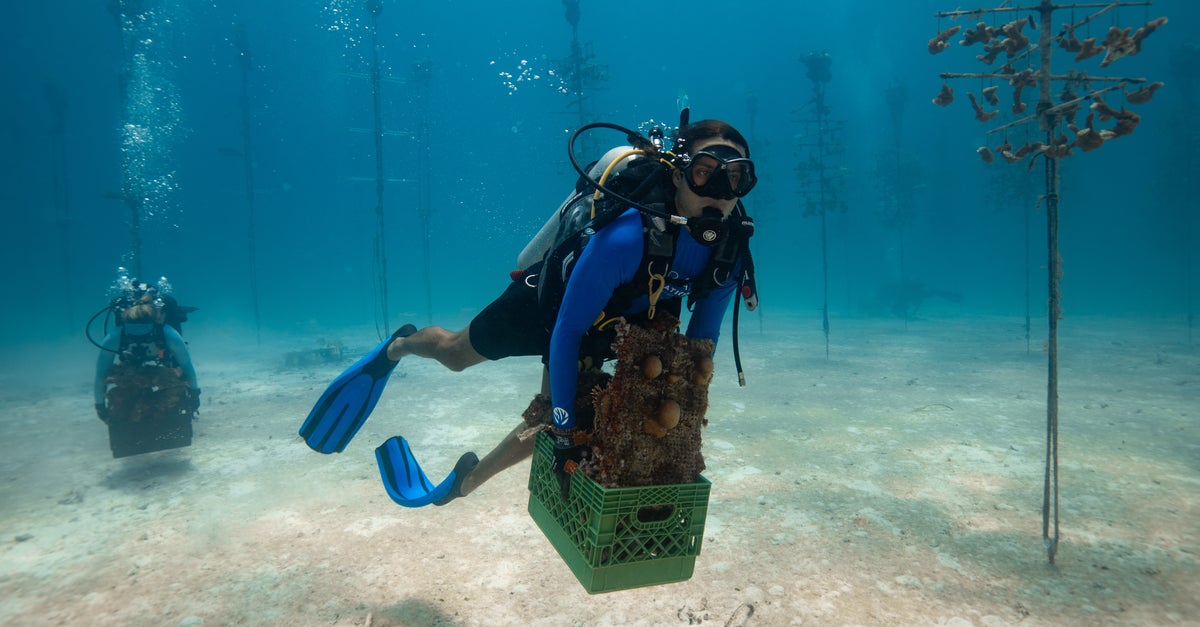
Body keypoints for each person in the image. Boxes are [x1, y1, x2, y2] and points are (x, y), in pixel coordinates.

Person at [300, 116, 758, 506]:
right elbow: (565, 332)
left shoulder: (728, 254)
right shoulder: (625, 237)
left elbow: (698, 351)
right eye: (705, 172)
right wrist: (562, 431)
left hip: (613, 325)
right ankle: (399, 345)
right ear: (678, 174)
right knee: (457, 355)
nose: (720, 191)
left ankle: (462, 484)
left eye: (736, 178)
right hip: (550, 303)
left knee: (553, 421)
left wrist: (682, 421)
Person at [92, 274, 201, 456]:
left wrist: (194, 394)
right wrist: (100, 404)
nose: (139, 340)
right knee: (126, 390)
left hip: (163, 357)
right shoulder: (114, 338)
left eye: (144, 334)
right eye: (135, 335)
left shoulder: (169, 335)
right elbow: (102, 375)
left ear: (156, 323)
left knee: (176, 380)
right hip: (132, 364)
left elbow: (186, 367)